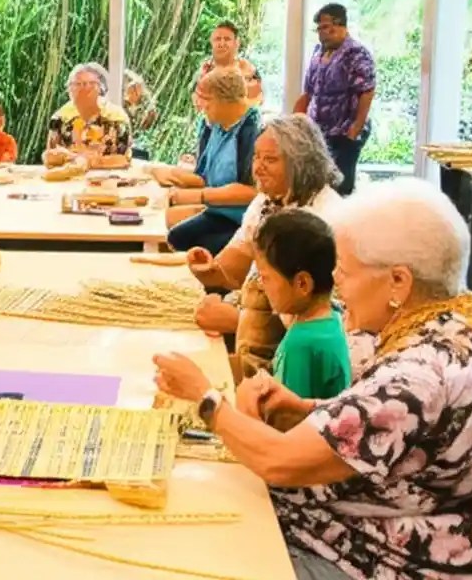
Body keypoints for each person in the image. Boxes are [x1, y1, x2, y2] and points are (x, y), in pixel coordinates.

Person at [155, 177, 472, 580]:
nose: (336, 284)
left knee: (192, 551)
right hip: (367, 530)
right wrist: (306, 408)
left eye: (345, 271)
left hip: (386, 562)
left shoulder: (419, 376)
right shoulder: (446, 329)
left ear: (398, 281)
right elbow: (394, 427)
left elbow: (280, 462)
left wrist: (205, 398)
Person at [186, 114, 344, 372]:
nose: (257, 168)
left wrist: (238, 320)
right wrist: (209, 270)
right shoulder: (266, 201)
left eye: (269, 159)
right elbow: (233, 270)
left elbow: (323, 325)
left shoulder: (324, 221)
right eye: (256, 157)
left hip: (285, 361)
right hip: (252, 338)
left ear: (301, 164)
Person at [253, 209, 351, 406]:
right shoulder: (332, 316)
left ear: (302, 284)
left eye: (266, 277)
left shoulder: (300, 347)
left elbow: (286, 423)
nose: (260, 285)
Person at [164, 67, 260, 254]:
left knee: (198, 249)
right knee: (176, 237)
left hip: (244, 220)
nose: (201, 107)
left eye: (206, 101)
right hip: (217, 212)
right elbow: (203, 176)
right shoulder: (217, 125)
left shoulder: (252, 130)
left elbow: (251, 191)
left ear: (225, 101)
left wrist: (199, 196)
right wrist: (167, 175)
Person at [293, 4, 376, 196]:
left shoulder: (356, 53)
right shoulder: (318, 53)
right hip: (320, 131)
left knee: (340, 187)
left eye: (325, 27)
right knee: (318, 185)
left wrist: (355, 128)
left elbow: (367, 91)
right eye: (319, 28)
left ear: (340, 25)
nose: (321, 32)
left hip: (346, 132)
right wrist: (293, 124)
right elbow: (308, 93)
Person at [44, 62, 132, 163]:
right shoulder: (60, 118)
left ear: (100, 88)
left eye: (90, 84)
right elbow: (50, 156)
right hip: (71, 176)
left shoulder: (116, 117)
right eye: (77, 84)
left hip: (111, 176)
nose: (84, 89)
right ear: (69, 90)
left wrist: (83, 160)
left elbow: (123, 159)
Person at [197, 21, 264, 104]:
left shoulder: (249, 70)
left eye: (227, 39)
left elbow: (258, 101)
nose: (222, 44)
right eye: (218, 39)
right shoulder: (207, 68)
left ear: (236, 43)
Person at [122, 70, 158, 161]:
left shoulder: (146, 105)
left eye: (137, 90)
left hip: (138, 144)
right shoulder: (120, 104)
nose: (136, 92)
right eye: (133, 89)